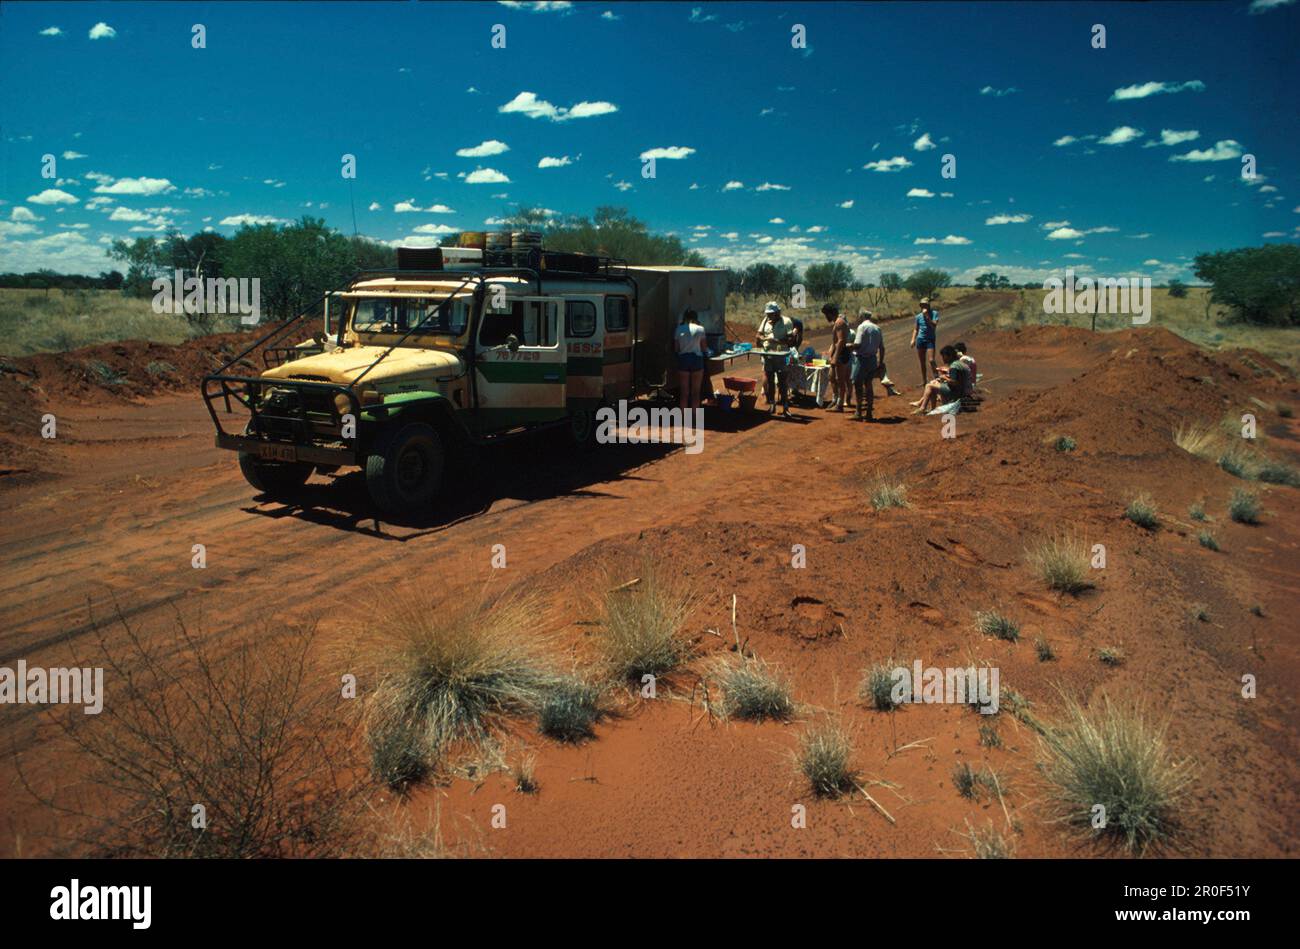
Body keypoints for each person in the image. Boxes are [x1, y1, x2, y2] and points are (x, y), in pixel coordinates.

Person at [755, 301, 794, 416]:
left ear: (778, 313)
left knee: (782, 381)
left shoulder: (786, 322)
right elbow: (758, 334)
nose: (769, 316)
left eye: (771, 314)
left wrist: (775, 341)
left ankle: (785, 406)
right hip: (768, 355)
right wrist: (763, 339)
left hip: (782, 356)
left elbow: (790, 340)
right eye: (768, 314)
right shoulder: (765, 320)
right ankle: (772, 405)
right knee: (770, 380)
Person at [914, 344, 969, 414]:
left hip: (956, 392)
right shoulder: (959, 363)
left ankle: (922, 408)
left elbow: (954, 382)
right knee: (934, 384)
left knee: (929, 386)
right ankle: (932, 409)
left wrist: (944, 377)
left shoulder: (953, 366)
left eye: (944, 356)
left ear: (949, 356)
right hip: (962, 390)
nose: (943, 358)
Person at [851, 309, 884, 421]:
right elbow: (882, 347)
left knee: (858, 384)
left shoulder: (862, 327)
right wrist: (881, 362)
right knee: (869, 385)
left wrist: (848, 346)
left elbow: (858, 344)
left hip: (861, 359)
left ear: (861, 316)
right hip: (872, 360)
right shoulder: (877, 328)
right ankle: (869, 412)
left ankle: (858, 411)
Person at [674, 308, 708, 409]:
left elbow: (676, 348)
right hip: (696, 359)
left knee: (684, 392)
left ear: (685, 317)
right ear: (696, 318)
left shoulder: (678, 329)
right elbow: (704, 347)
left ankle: (683, 418)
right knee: (696, 392)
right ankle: (694, 418)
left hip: (683, 359)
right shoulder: (700, 329)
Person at [823, 303, 851, 411]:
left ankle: (839, 405)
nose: (826, 317)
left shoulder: (839, 322)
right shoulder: (837, 322)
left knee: (840, 380)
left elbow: (841, 341)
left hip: (841, 353)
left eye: (826, 315)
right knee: (831, 377)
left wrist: (835, 357)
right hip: (837, 353)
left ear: (830, 313)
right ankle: (835, 400)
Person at [908, 297, 938, 387]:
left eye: (925, 305)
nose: (923, 306)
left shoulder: (934, 313)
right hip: (920, 339)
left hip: (930, 339)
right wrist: (913, 339)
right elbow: (916, 329)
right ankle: (924, 380)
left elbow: (934, 326)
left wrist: (927, 317)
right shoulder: (918, 316)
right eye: (922, 305)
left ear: (928, 305)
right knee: (922, 362)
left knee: (931, 360)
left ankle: (937, 379)